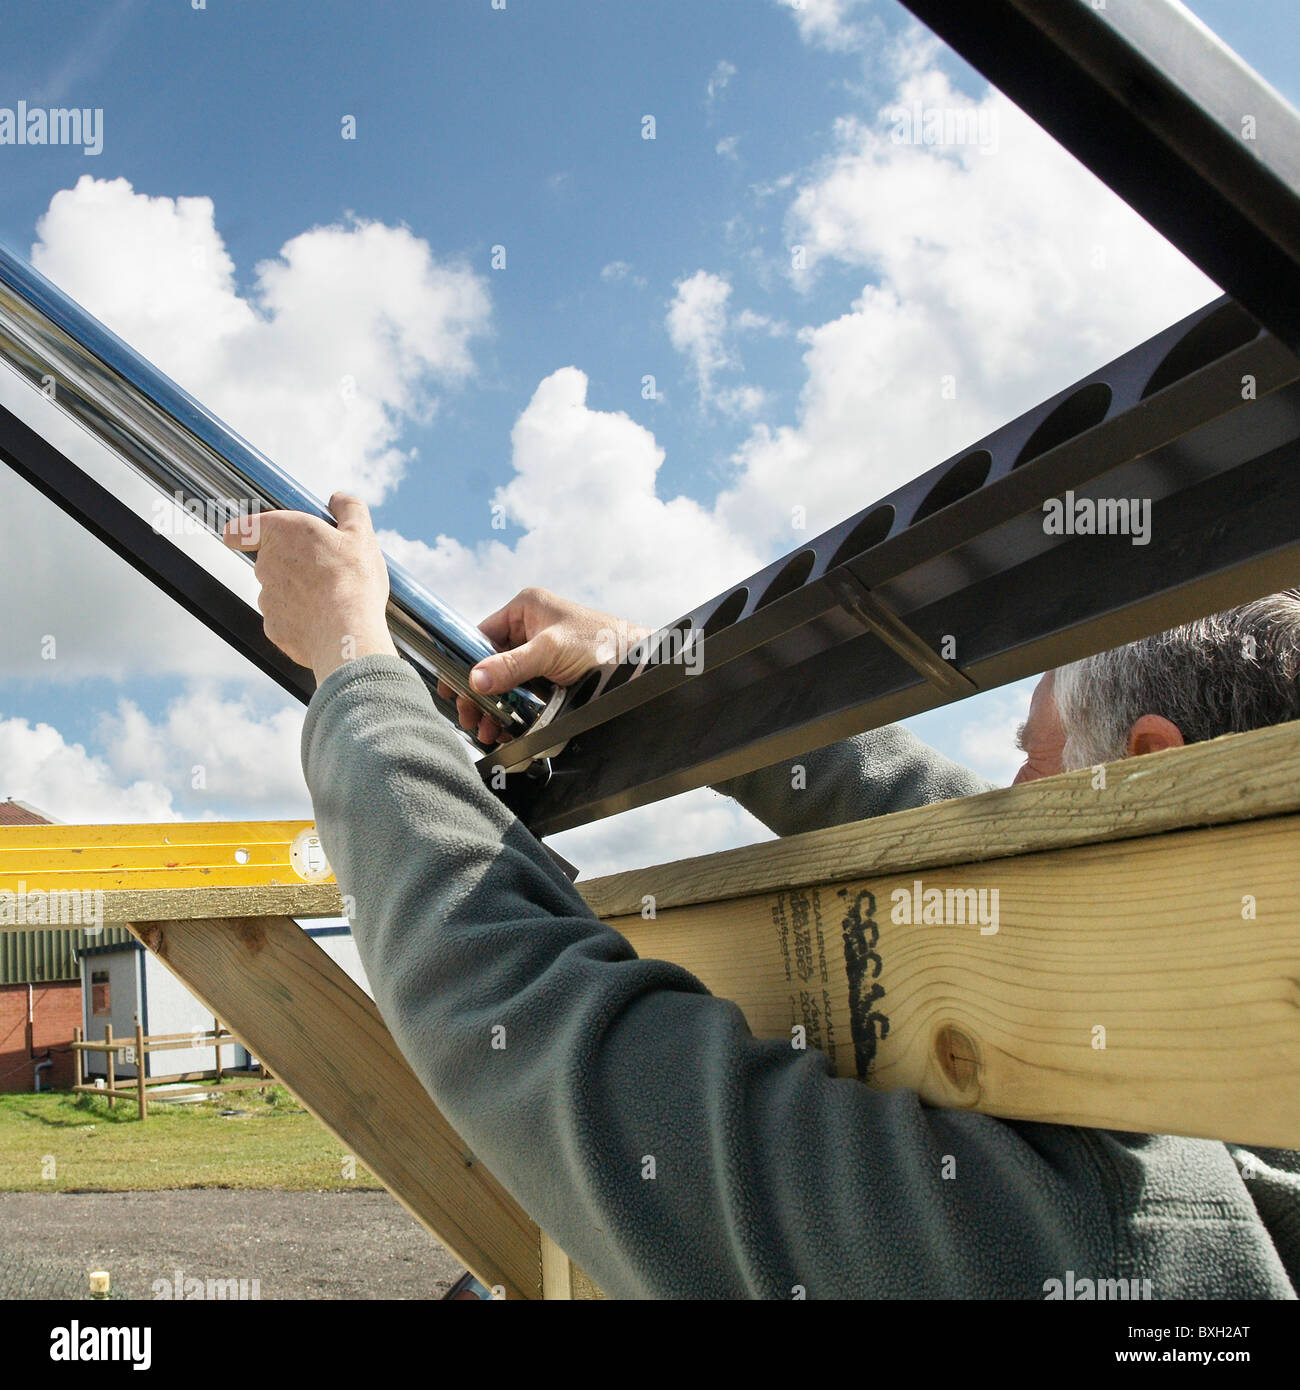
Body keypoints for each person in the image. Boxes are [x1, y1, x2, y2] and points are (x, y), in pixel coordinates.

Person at [225, 494, 1300, 1299]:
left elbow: (534, 1019)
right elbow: (961, 844)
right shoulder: (1238, 1102)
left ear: (1149, 776)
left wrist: (353, 660)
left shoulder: (1066, 1237)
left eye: (1032, 764)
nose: (1001, 798)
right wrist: (655, 676)